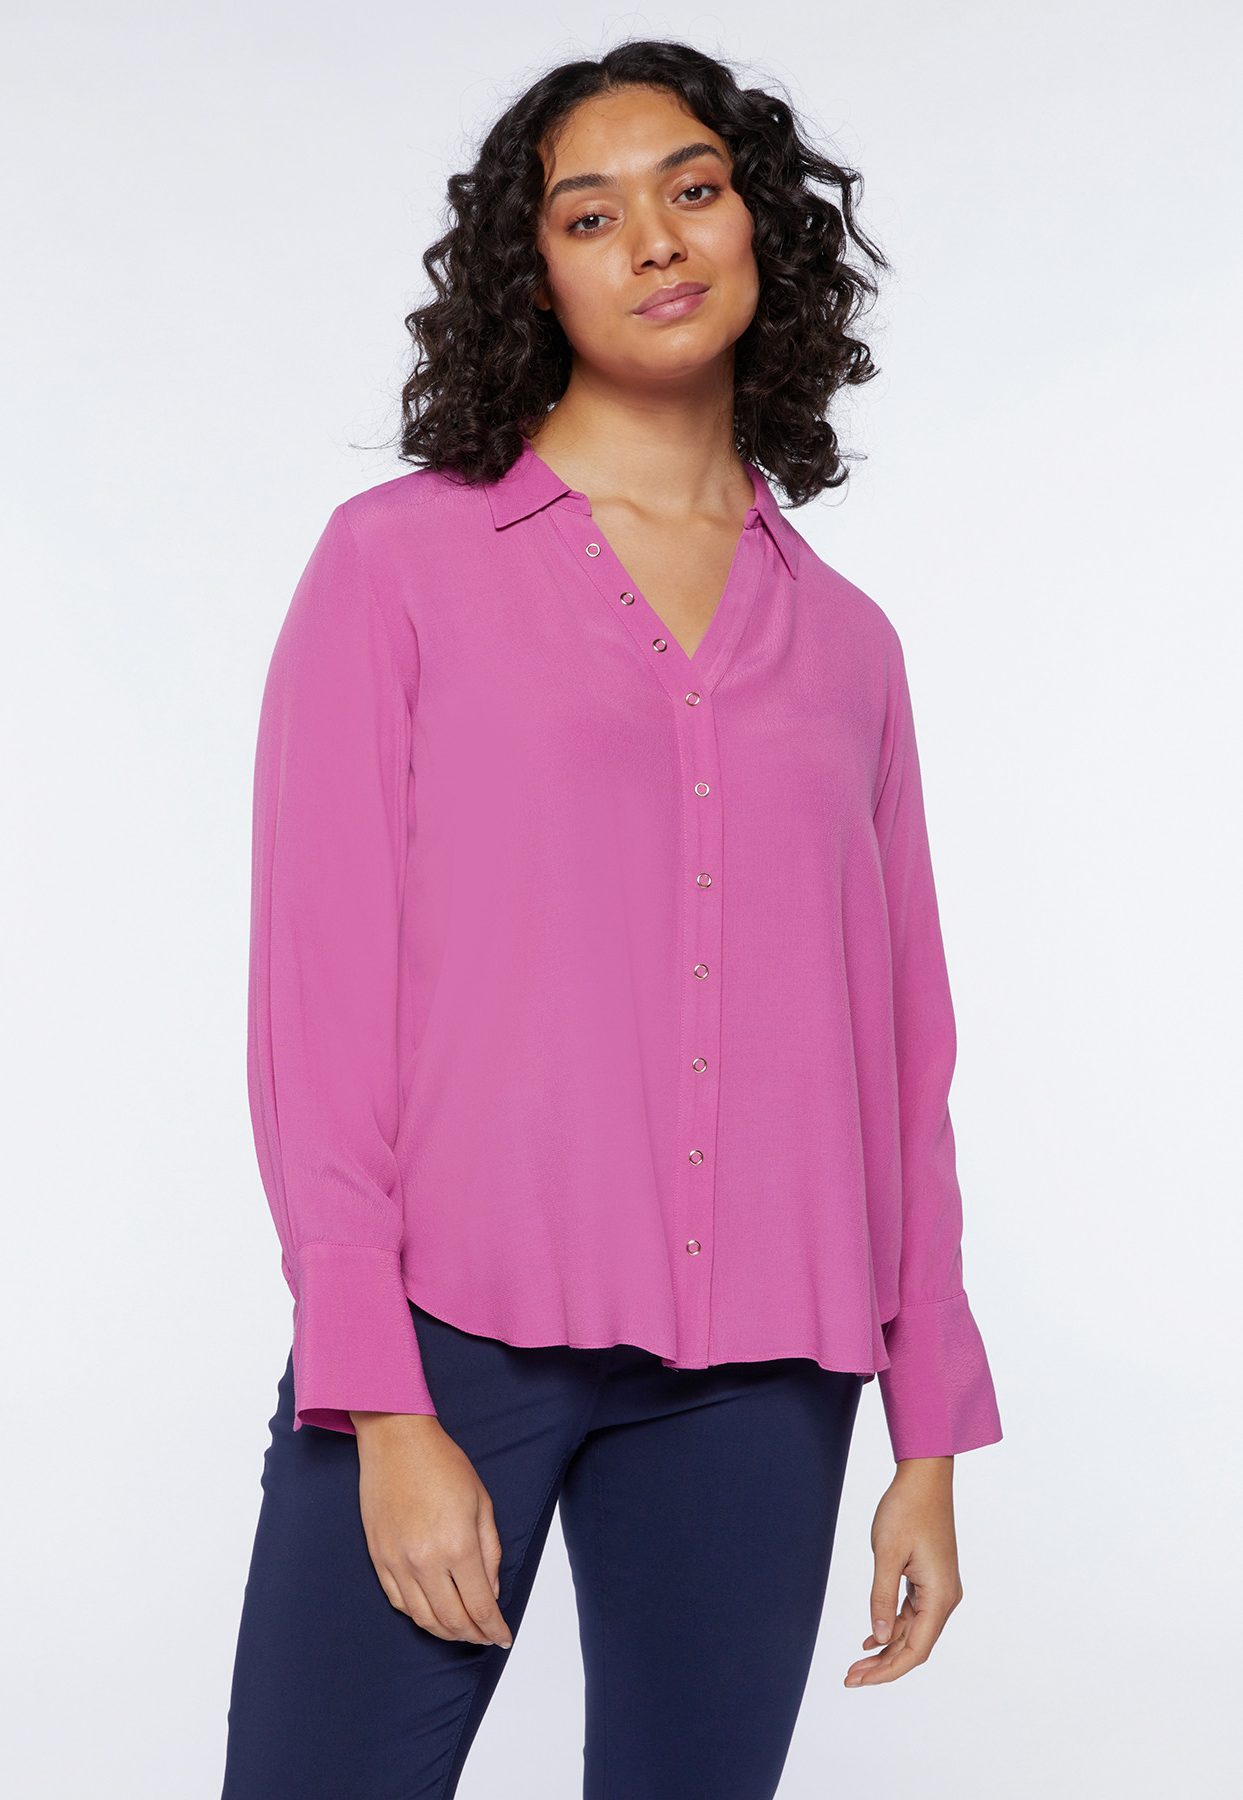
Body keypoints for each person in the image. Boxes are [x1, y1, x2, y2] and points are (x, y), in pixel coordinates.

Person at [220, 37, 1003, 1800]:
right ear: (534, 275)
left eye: (693, 190)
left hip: (765, 1371)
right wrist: (382, 1401)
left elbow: (901, 1055)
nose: (653, 240)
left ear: (758, 228)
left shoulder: (849, 642)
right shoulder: (396, 564)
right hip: (446, 1336)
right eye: (590, 215)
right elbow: (315, 1000)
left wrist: (928, 1433)